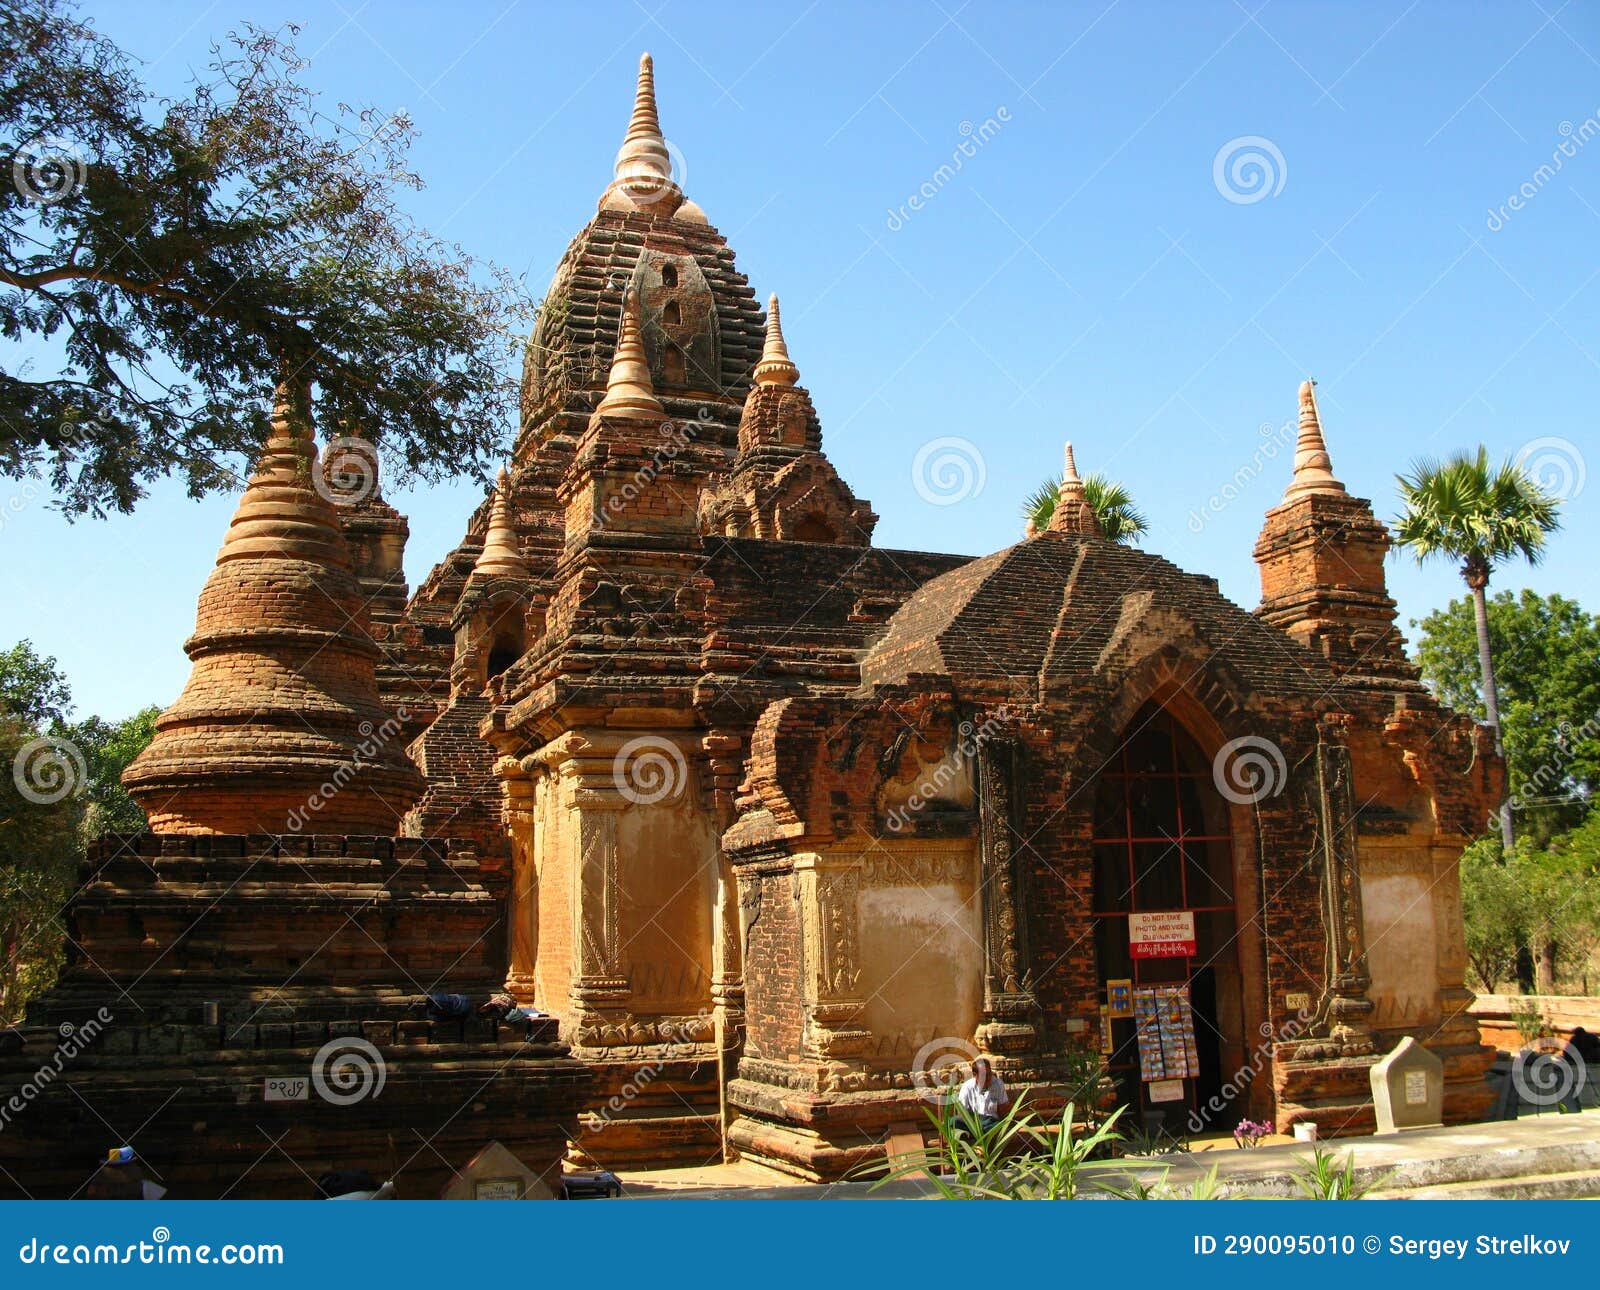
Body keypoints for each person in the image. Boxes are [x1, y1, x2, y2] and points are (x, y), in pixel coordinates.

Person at [954, 1057, 1010, 1130]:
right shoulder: (967, 1087)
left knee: (994, 1126)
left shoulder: (998, 1084)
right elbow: (962, 1112)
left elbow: (1003, 1108)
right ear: (975, 1075)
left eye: (989, 1074)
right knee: (953, 1122)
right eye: (984, 1075)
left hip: (991, 1122)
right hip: (974, 1124)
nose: (988, 1078)